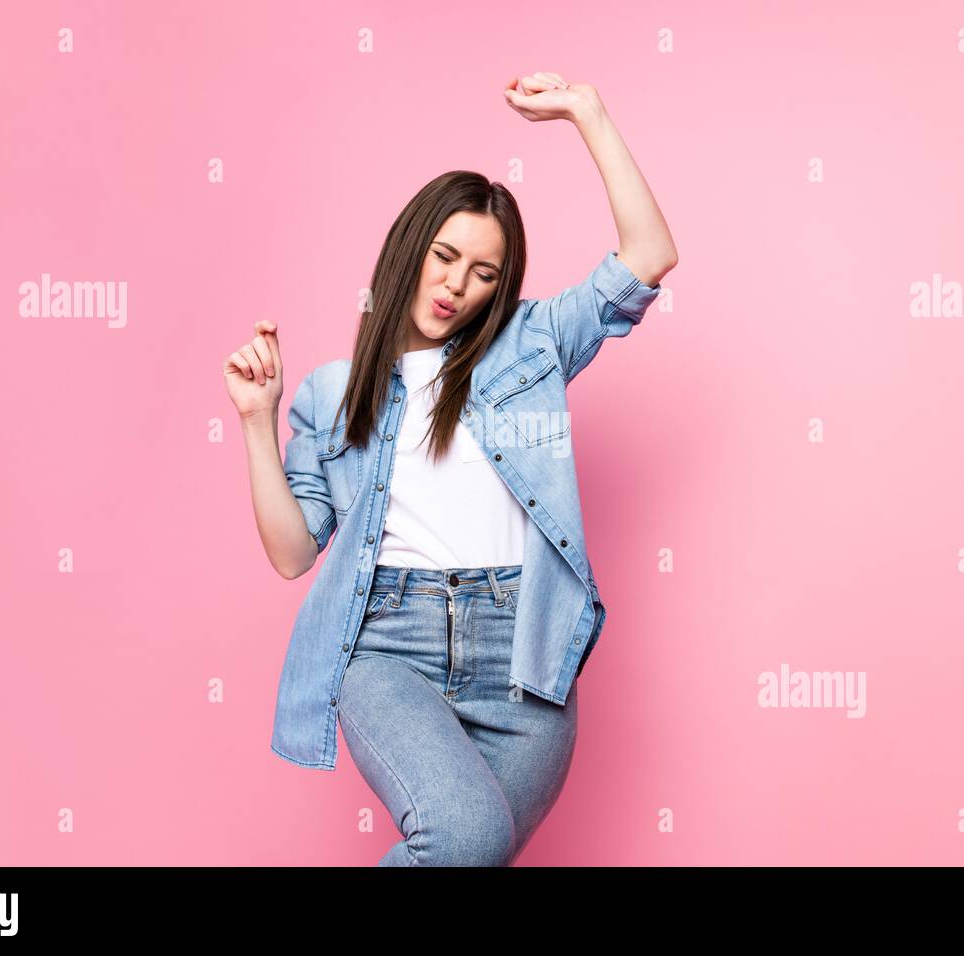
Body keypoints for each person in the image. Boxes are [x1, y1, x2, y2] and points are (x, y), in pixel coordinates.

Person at [224, 71, 678, 865]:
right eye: (444, 256)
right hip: (388, 648)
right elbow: (294, 553)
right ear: (411, 248)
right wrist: (259, 422)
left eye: (485, 273)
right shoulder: (336, 394)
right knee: (465, 837)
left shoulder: (533, 350)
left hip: (524, 658)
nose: (457, 286)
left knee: (471, 856)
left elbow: (649, 255)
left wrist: (587, 113)